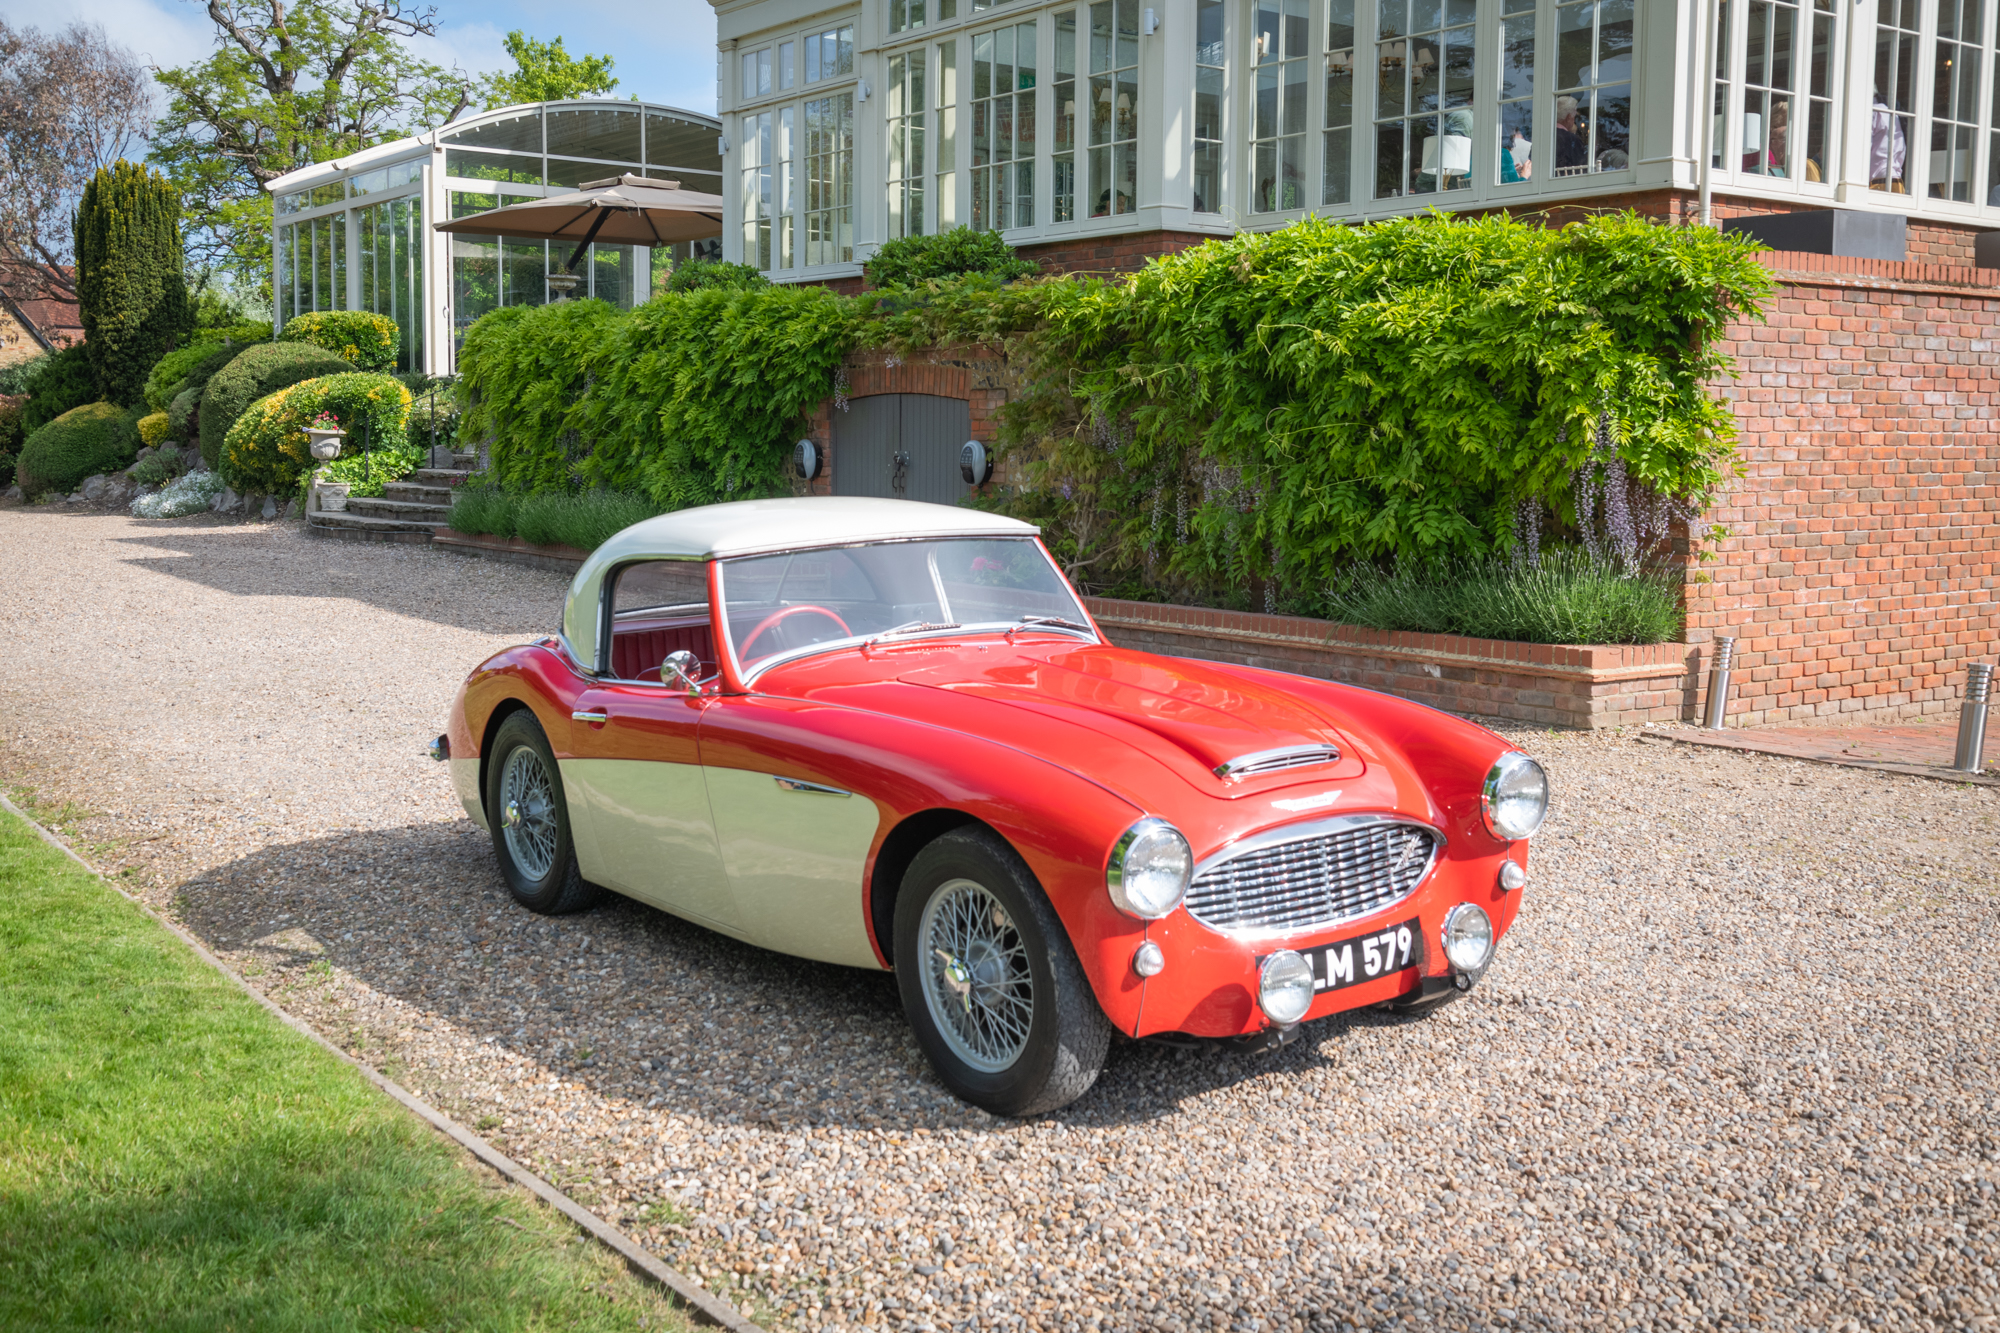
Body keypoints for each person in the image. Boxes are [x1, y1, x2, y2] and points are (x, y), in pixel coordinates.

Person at [1554, 95, 1588, 171]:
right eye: (1574, 117)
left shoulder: (1543, 136)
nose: (1574, 120)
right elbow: (1581, 168)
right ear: (1569, 117)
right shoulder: (1571, 140)